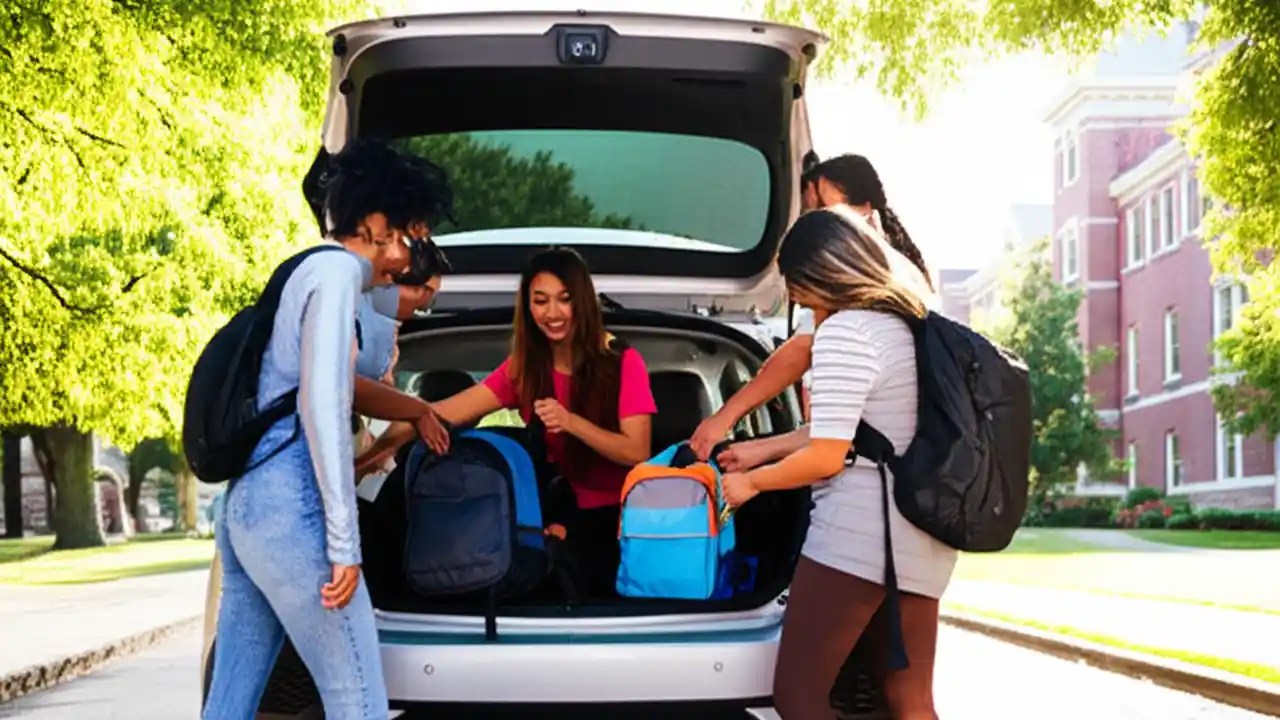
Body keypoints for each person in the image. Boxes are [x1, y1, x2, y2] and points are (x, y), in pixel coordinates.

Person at [202, 138, 444, 720]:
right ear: (373, 223)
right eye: (409, 233)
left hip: (248, 509)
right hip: (292, 513)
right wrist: (342, 542)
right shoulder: (336, 274)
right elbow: (321, 406)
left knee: (231, 703)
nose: (414, 249)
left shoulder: (306, 270)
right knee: (357, 699)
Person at [718, 207, 954, 720]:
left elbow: (828, 456)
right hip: (920, 535)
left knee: (800, 699)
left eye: (795, 283)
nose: (796, 297)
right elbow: (861, 433)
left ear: (820, 272)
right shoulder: (903, 324)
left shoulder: (846, 332)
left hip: (857, 539)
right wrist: (763, 448)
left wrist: (750, 484)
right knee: (910, 699)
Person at [357, 247, 657, 596]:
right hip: (560, 514)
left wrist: (570, 422)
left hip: (623, 521)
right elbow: (444, 412)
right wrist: (368, 458)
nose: (553, 313)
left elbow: (636, 451)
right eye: (540, 301)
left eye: (565, 299)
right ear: (528, 307)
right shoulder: (525, 369)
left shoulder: (622, 361)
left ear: (583, 302)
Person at [689, 154, 932, 461]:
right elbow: (835, 434)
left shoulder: (855, 307)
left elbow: (800, 355)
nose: (812, 222)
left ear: (865, 211)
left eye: (821, 208)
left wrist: (727, 421)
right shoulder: (896, 278)